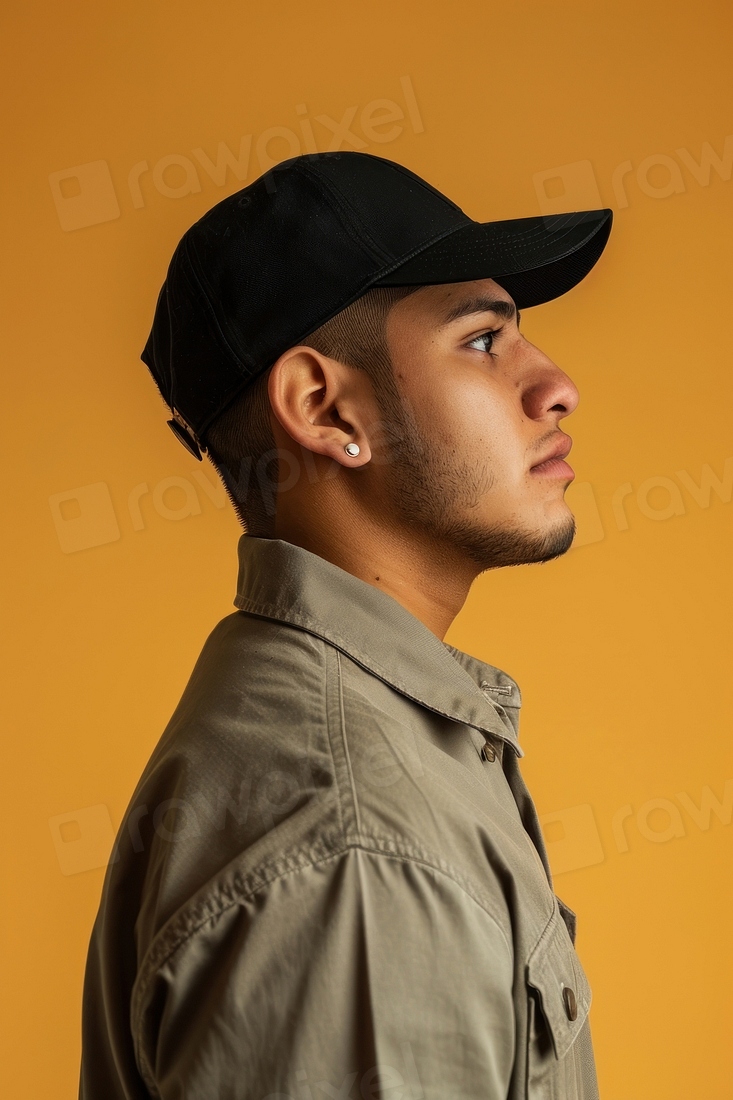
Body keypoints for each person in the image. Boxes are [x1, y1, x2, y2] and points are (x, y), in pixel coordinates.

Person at [78, 151, 612, 1100]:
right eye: (483, 341)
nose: (555, 385)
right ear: (326, 410)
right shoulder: (360, 850)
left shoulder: (347, 742)